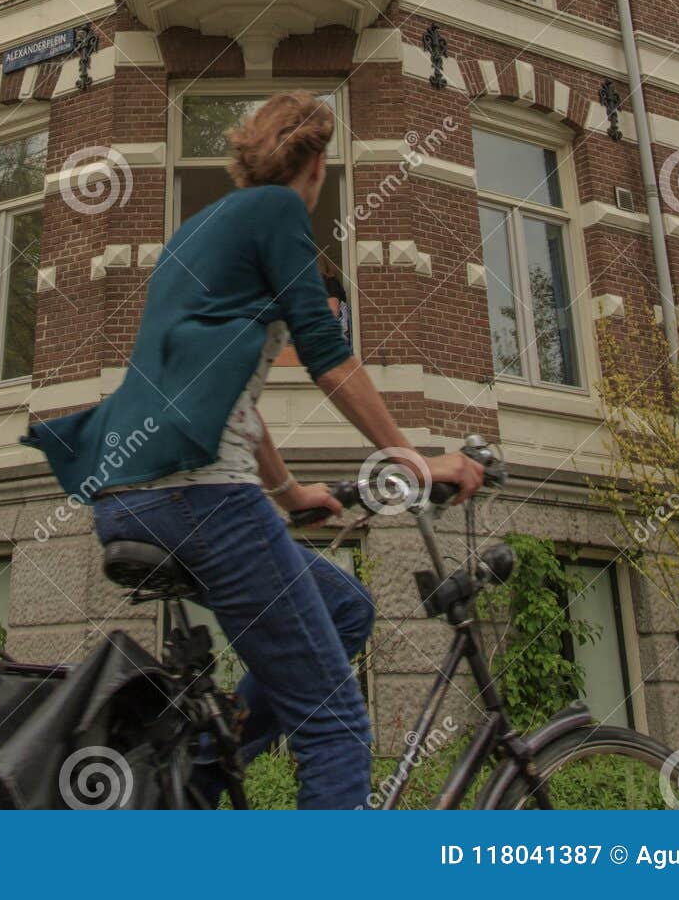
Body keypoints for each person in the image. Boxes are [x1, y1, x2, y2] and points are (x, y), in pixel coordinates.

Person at [26, 91, 484, 809]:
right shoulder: (279, 214)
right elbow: (329, 356)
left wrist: (290, 493)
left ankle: (198, 787)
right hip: (202, 501)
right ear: (318, 165)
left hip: (130, 503)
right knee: (332, 722)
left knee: (345, 609)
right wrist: (416, 459)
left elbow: (224, 397)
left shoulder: (194, 232)